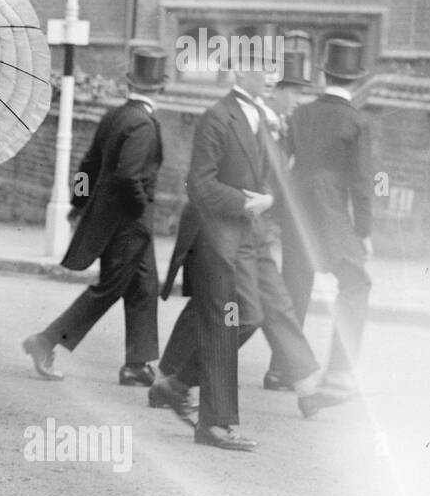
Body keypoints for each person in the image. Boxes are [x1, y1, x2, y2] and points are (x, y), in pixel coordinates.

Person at [149, 52, 340, 450]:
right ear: (239, 70)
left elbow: (270, 179)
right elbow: (199, 185)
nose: (271, 76)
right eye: (262, 68)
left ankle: (178, 383)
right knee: (230, 319)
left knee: (250, 316)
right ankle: (213, 422)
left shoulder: (259, 118)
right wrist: (245, 203)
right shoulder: (218, 117)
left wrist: (267, 200)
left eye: (274, 68)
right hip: (217, 234)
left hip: (248, 234)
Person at [21, 47, 166, 385]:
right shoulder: (143, 124)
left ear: (129, 82)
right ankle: (46, 340)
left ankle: (137, 365)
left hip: (113, 221)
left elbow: (88, 165)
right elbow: (128, 176)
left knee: (144, 286)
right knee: (109, 289)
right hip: (129, 224)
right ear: (161, 88)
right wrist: (141, 208)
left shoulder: (114, 117)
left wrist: (79, 202)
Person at [281, 39, 374, 400]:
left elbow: (284, 162)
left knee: (294, 283)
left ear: (324, 75)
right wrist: (363, 231)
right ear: (356, 80)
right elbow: (362, 183)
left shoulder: (300, 114)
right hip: (331, 210)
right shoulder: (357, 120)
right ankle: (338, 373)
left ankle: (282, 369)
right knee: (356, 283)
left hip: (297, 208)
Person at [261, 43, 314, 391]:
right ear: (275, 89)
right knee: (245, 299)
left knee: (290, 289)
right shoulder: (260, 120)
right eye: (293, 91)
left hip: (279, 217)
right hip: (253, 216)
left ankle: (282, 368)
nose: (297, 100)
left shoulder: (287, 123)